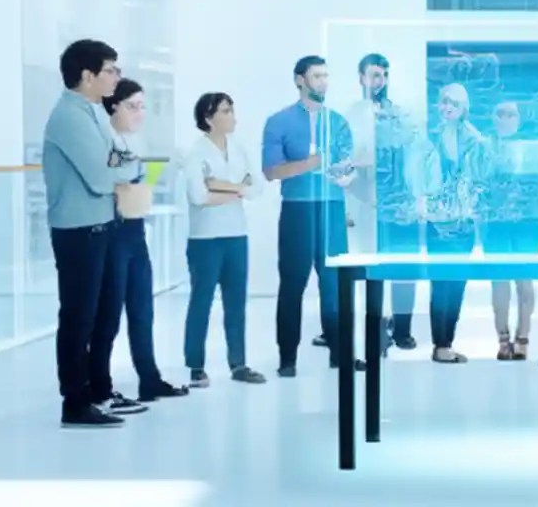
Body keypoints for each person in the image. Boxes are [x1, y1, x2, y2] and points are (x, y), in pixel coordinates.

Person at [43, 39, 141, 427]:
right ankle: (75, 402)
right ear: (87, 75)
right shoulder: (69, 115)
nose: (117, 76)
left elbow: (122, 156)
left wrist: (119, 166)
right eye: (111, 70)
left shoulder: (94, 113)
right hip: (78, 230)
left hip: (101, 226)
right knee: (78, 318)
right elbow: (103, 175)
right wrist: (120, 168)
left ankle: (98, 391)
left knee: (101, 315)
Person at [262, 55, 359, 376]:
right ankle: (287, 359)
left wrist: (347, 176)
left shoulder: (339, 122)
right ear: (299, 80)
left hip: (331, 208)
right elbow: (272, 171)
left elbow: (348, 165)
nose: (323, 82)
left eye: (326, 76)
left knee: (335, 285)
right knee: (293, 285)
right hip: (298, 212)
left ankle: (340, 354)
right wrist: (312, 163)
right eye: (317, 76)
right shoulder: (279, 122)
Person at [94, 79, 190, 404]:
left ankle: (149, 379)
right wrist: (136, 172)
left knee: (142, 311)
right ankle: (99, 386)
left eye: (143, 106)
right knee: (109, 315)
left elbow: (141, 179)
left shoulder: (135, 141)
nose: (140, 113)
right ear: (113, 106)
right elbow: (114, 176)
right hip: (114, 232)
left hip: (136, 231)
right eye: (132, 106)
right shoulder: (105, 138)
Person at [182, 92, 268, 387]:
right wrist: (237, 189)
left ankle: (239, 363)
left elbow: (256, 188)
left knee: (236, 303)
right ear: (209, 118)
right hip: (205, 238)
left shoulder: (239, 148)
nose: (233, 116)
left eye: (232, 110)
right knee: (201, 301)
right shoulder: (195, 152)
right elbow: (198, 196)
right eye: (226, 111)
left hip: (236, 235)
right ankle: (195, 365)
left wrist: (220, 187)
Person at [346, 53, 422, 351]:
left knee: (405, 267)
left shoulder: (400, 114)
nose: (378, 81)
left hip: (400, 202)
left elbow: (414, 154)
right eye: (373, 75)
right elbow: (349, 158)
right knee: (374, 270)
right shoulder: (352, 115)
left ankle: (402, 329)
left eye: (383, 75)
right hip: (369, 201)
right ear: (361, 78)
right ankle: (376, 333)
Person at [417, 82, 485, 364]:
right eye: (444, 102)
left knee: (456, 284)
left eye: (453, 104)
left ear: (463, 108)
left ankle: (447, 342)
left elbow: (480, 180)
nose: (447, 108)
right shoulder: (428, 136)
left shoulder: (474, 139)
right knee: (440, 283)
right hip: (436, 219)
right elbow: (419, 175)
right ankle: (441, 344)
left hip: (463, 220)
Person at [473, 100, 538, 361]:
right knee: (499, 280)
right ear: (493, 118)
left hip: (527, 222)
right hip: (496, 223)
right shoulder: (483, 147)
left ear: (519, 118)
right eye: (499, 113)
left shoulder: (530, 148)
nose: (505, 118)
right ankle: (502, 338)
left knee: (525, 279)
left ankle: (523, 336)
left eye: (510, 114)